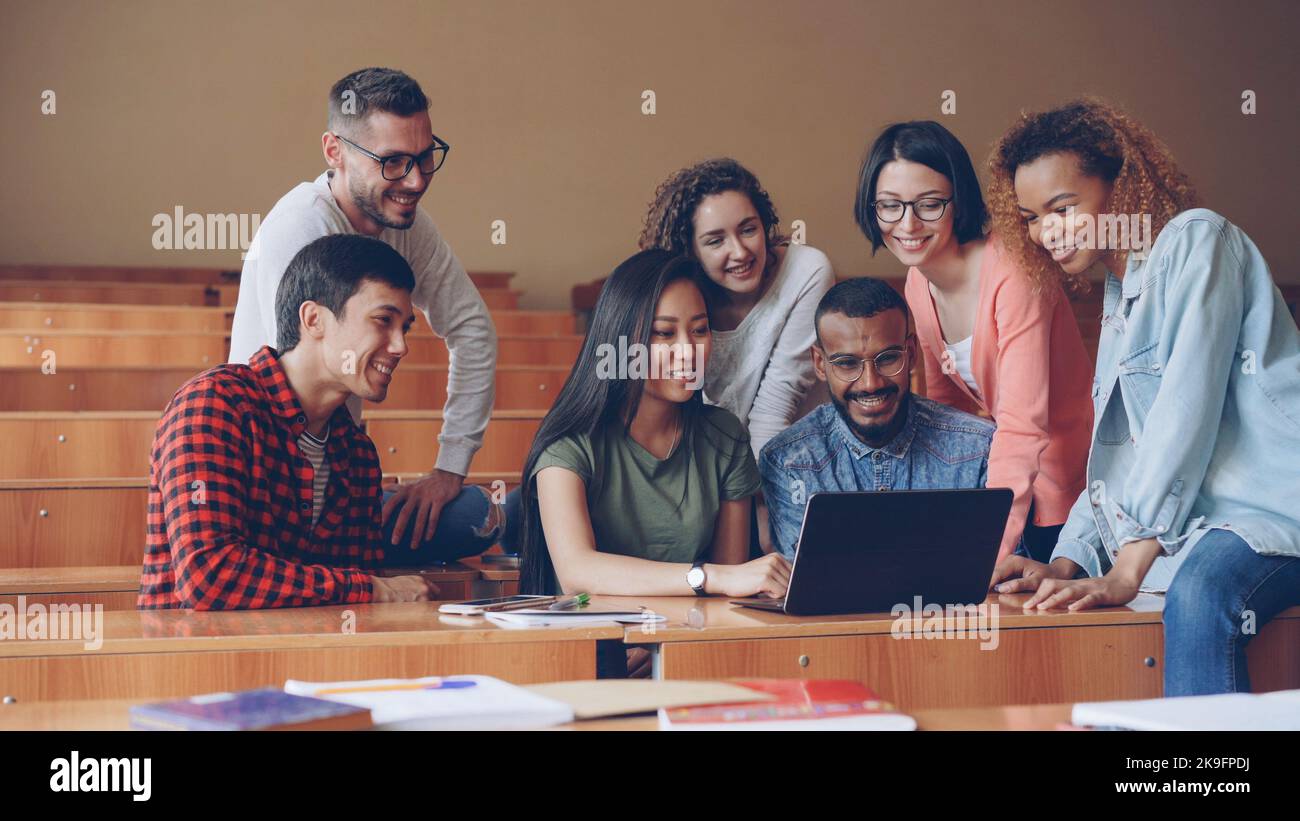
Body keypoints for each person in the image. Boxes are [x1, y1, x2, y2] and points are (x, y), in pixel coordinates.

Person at [987, 98, 1300, 696]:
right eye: (1030, 216)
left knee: (1203, 589)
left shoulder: (1195, 240)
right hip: (1205, 525)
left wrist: (1129, 566)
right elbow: (1119, 452)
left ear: (1121, 190)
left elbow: (1184, 413)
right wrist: (1068, 561)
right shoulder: (1119, 288)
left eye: (1063, 206)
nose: (1045, 231)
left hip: (1275, 510)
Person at [140, 235, 500, 609]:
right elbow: (210, 577)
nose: (400, 346)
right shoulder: (214, 405)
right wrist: (373, 589)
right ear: (314, 320)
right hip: (199, 659)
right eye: (383, 321)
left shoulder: (356, 452)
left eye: (404, 328)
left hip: (311, 655)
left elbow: (348, 594)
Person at [228, 66, 499, 558]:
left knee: (482, 512)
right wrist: (350, 496)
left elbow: (473, 329)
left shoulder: (404, 221)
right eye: (393, 162)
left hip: (338, 468)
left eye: (425, 158)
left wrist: (448, 470)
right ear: (335, 152)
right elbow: (302, 386)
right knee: (481, 518)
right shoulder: (298, 231)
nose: (415, 181)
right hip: (275, 484)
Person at [855, 120, 1092, 563]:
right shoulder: (916, 285)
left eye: (929, 204)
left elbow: (1023, 426)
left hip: (1073, 494)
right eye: (889, 206)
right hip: (1008, 491)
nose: (907, 224)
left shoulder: (1013, 272)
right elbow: (949, 418)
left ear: (957, 200)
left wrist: (985, 549)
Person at [518, 249, 791, 600]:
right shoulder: (569, 443)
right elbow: (577, 572)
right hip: (595, 643)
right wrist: (704, 577)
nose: (688, 350)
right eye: (663, 333)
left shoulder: (725, 437)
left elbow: (729, 594)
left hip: (686, 642)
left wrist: (664, 634)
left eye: (699, 330)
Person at [639, 158, 835, 553]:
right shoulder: (684, 299)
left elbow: (775, 407)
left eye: (748, 230)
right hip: (714, 476)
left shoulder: (806, 271)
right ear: (690, 250)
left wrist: (767, 527)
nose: (740, 251)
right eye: (715, 240)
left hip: (798, 472)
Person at [760, 278, 998, 561]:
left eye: (887, 359)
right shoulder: (788, 462)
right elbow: (804, 584)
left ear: (910, 354)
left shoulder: (980, 449)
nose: (870, 383)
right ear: (820, 364)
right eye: (847, 363)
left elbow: (1002, 579)